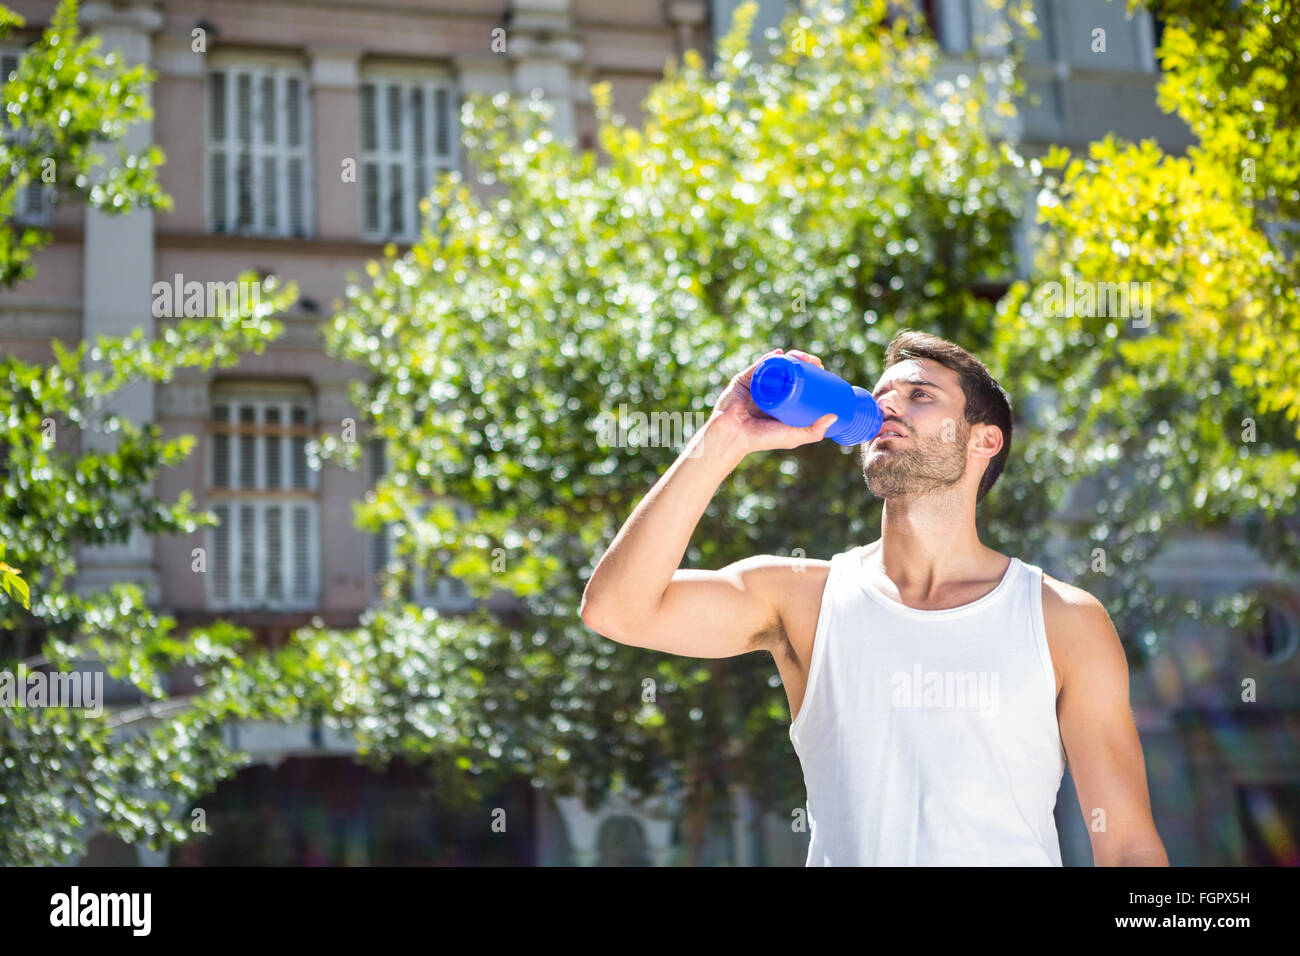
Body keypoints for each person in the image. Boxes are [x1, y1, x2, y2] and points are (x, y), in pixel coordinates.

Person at [580, 329, 1169, 866]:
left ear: (983, 439)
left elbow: (1126, 846)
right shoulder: (801, 599)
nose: (889, 404)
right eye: (882, 393)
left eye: (920, 396)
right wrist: (725, 434)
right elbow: (616, 609)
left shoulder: (1062, 619)